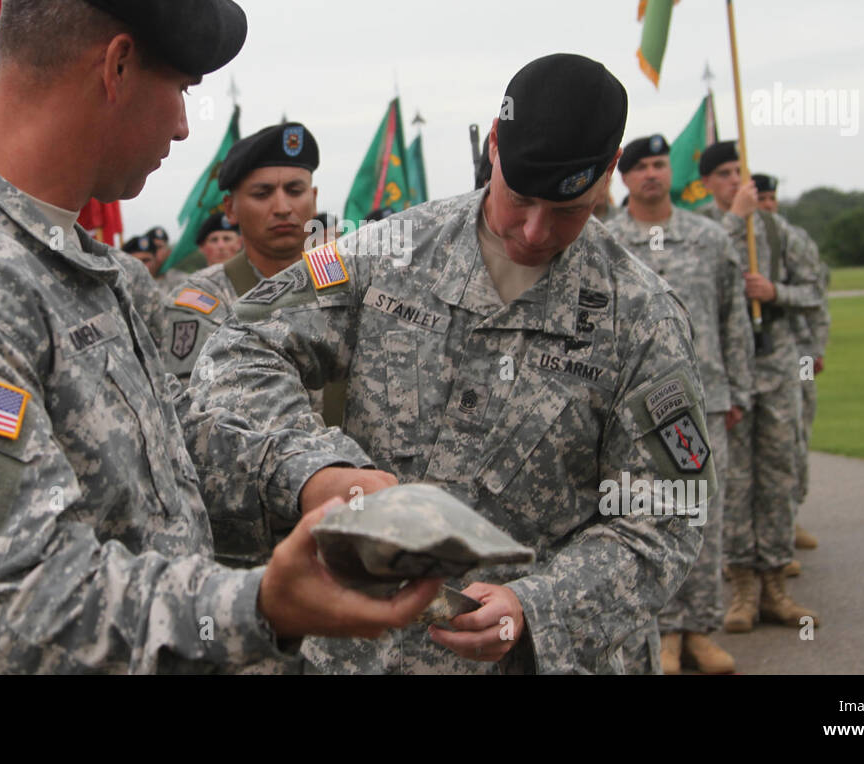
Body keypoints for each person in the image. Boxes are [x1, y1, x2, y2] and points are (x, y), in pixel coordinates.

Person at [0, 0, 439, 674]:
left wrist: (312, 477)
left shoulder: (74, 262)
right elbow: (13, 609)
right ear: (117, 66)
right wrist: (261, 606)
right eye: (178, 90)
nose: (178, 127)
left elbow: (178, 434)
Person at [185, 54, 716, 674]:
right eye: (520, 199)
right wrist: (317, 470)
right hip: (365, 652)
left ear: (608, 171)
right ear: (494, 143)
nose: (536, 232)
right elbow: (245, 340)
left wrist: (537, 606)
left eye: (567, 210)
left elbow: (665, 516)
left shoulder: (642, 315)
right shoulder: (387, 251)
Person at [605, 134, 753, 674]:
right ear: (622, 177)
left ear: (673, 171)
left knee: (703, 516)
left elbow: (733, 318)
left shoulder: (710, 238)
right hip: (634, 405)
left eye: (659, 164)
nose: (651, 173)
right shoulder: (605, 241)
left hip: (706, 398)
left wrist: (739, 390)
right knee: (646, 514)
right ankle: (659, 632)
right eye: (639, 166)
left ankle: (698, 630)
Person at [697, 143, 823, 632]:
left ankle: (775, 585)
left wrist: (776, 292)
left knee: (776, 476)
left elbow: (815, 291)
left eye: (740, 172)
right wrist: (734, 219)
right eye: (725, 174)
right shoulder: (699, 231)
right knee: (733, 483)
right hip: (726, 373)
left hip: (775, 368)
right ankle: (742, 587)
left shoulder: (776, 231)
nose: (736, 182)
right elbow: (697, 280)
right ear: (707, 183)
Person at [159, 122, 320, 383]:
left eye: (295, 191)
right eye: (262, 193)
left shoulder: (346, 285)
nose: (282, 207)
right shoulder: (204, 300)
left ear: (314, 199)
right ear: (230, 209)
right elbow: (198, 409)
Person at [753, 174, 829, 553]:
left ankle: (790, 516)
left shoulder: (790, 238)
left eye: (770, 198)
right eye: (759, 197)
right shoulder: (735, 238)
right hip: (753, 355)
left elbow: (816, 294)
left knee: (795, 434)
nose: (765, 205)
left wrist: (818, 349)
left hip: (796, 351)